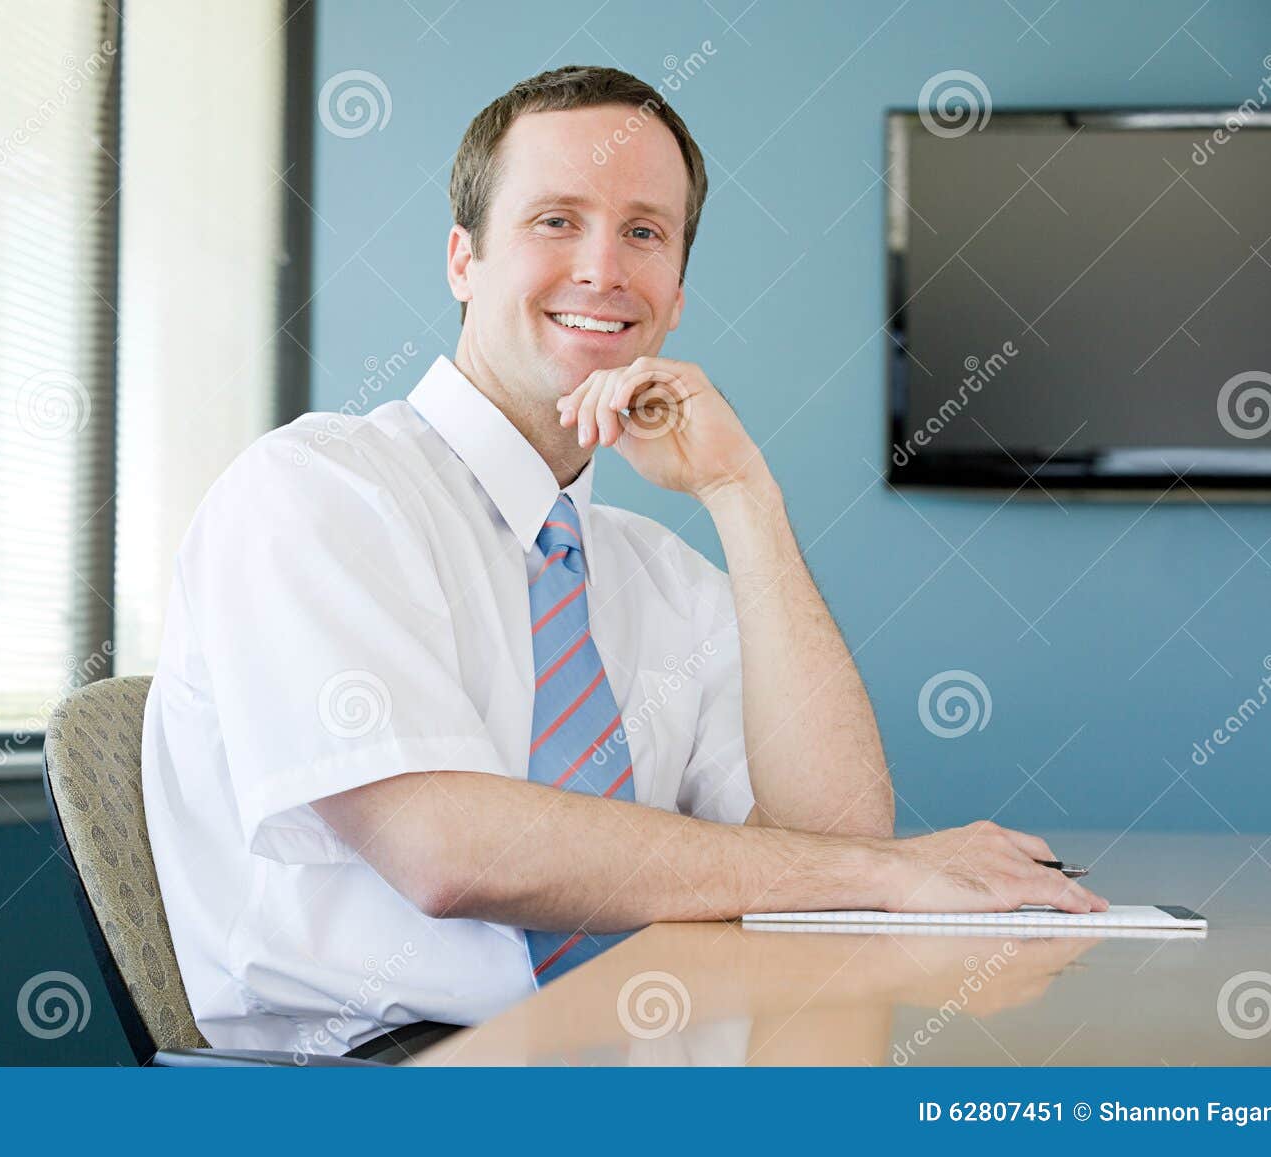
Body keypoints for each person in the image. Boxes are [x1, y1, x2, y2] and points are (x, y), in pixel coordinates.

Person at [140, 64, 1108, 1058]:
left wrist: (744, 497)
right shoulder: (318, 492)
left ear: (677, 292)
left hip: (634, 1045)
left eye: (643, 231)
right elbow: (446, 849)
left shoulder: (657, 573)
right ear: (462, 260)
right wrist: (887, 873)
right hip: (383, 1072)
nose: (603, 268)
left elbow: (833, 834)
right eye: (555, 220)